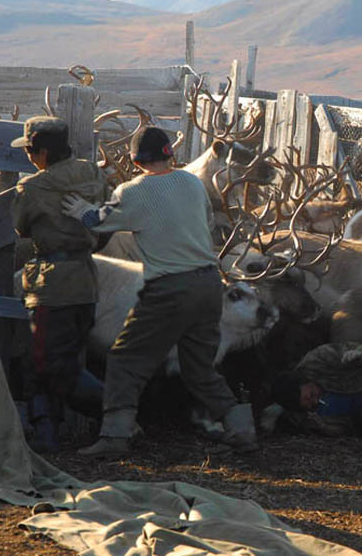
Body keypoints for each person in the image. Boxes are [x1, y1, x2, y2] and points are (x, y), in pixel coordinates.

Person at [61, 126, 258, 456]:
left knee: (126, 357)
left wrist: (79, 208)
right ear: (170, 154)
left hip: (169, 286)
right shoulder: (193, 184)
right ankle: (243, 430)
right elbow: (206, 221)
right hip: (211, 285)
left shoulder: (132, 190)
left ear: (137, 161)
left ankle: (115, 436)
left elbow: (98, 221)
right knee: (198, 367)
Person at [9, 116, 111, 452]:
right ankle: (47, 437)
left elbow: (22, 228)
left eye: (30, 151)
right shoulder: (93, 174)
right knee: (51, 362)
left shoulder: (32, 188)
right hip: (85, 280)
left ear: (42, 151)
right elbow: (107, 221)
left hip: (51, 286)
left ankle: (118, 414)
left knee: (50, 365)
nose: (28, 157)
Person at [271, 342, 362, 437]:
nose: (315, 400)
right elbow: (344, 428)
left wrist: (360, 355)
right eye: (310, 404)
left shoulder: (317, 360)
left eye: (311, 394)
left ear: (303, 381)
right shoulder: (306, 419)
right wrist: (325, 427)